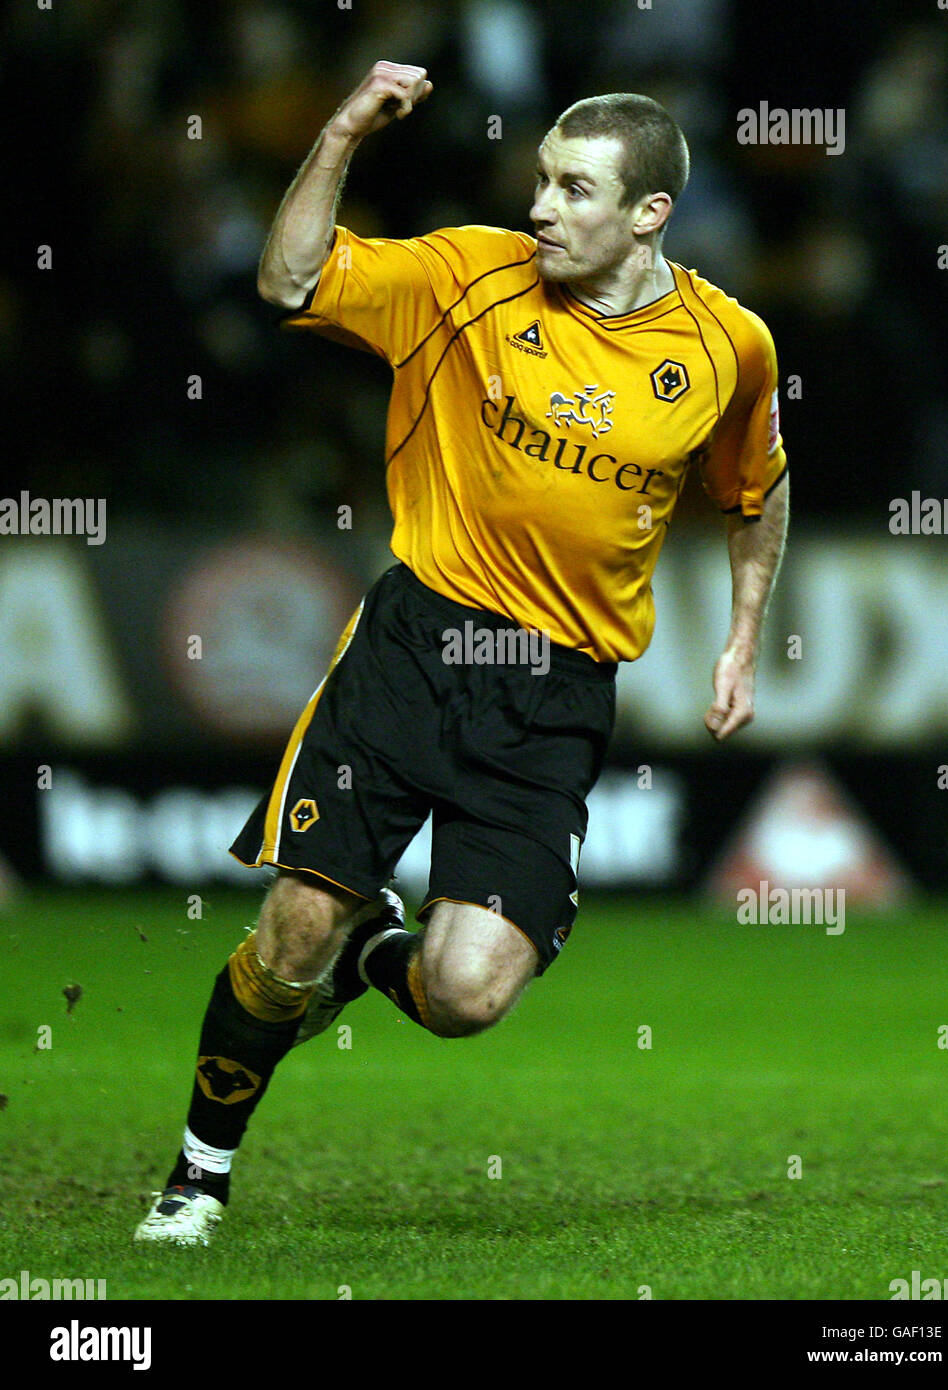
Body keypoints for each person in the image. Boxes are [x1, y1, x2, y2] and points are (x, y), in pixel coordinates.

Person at [135, 61, 789, 1246]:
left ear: (647, 215)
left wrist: (743, 632)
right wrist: (338, 132)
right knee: (291, 927)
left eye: (575, 188)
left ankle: (373, 952)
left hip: (553, 695)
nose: (541, 206)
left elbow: (756, 492)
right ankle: (196, 1175)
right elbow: (286, 278)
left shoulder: (728, 347)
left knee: (464, 995)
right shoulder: (461, 276)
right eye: (540, 178)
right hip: (414, 649)